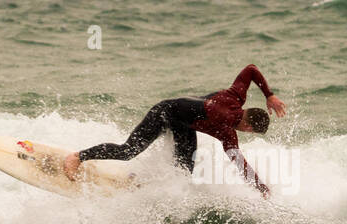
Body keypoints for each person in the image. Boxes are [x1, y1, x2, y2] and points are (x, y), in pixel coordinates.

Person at [62, 64, 287, 197]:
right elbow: (240, 164)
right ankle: (78, 157)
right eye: (249, 132)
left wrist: (269, 94)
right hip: (164, 113)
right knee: (128, 150)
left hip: (183, 124)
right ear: (248, 127)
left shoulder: (236, 96)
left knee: (183, 172)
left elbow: (251, 69)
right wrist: (262, 189)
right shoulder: (227, 129)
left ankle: (141, 182)